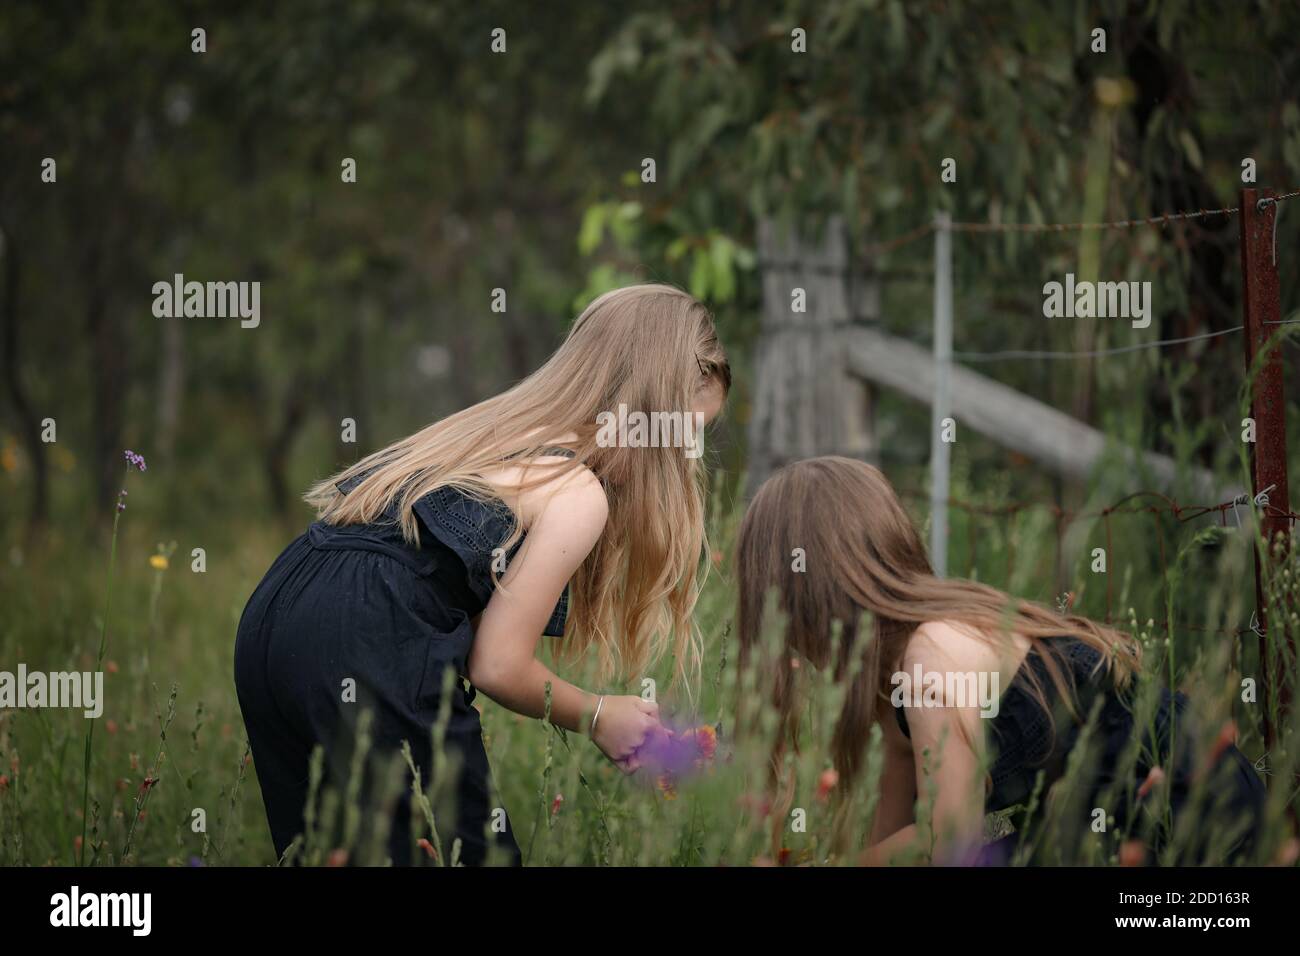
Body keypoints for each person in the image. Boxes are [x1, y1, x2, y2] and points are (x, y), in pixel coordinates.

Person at [235, 283, 729, 865]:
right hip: (367, 635)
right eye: (686, 432)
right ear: (647, 410)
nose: (687, 455)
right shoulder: (576, 492)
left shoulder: (493, 434)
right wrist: (599, 715)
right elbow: (496, 665)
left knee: (327, 852)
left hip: (280, 610)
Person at [734, 455, 1264, 865]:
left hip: (1189, 809)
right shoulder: (892, 683)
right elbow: (893, 836)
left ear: (807, 601)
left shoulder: (931, 655)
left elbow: (950, 842)